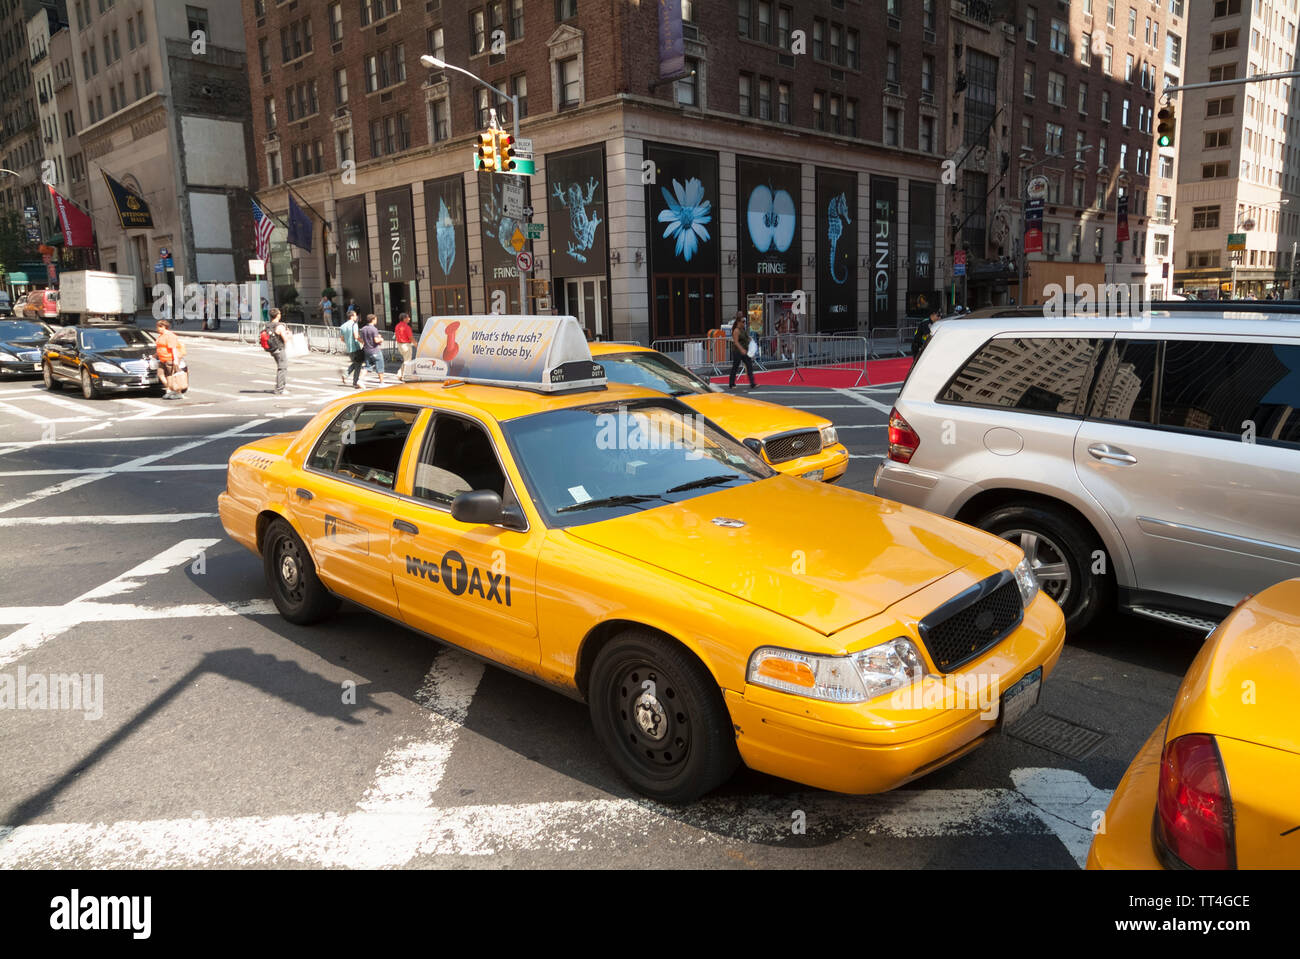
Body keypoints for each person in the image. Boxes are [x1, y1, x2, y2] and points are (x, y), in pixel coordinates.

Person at [154, 318, 186, 400]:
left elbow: (173, 348)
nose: (157, 329)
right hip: (162, 359)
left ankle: (177, 392)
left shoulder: (170, 336)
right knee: (160, 374)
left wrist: (175, 360)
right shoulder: (161, 335)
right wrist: (154, 355)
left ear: (164, 327)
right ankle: (171, 389)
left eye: (158, 327)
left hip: (169, 359)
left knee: (171, 377)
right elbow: (160, 347)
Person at [728, 310, 756, 390]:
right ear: (739, 322)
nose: (744, 323)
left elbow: (746, 337)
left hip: (744, 351)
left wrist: (750, 340)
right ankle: (731, 383)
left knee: (749, 366)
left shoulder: (743, 330)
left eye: (744, 322)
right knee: (735, 367)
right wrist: (742, 349)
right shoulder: (736, 330)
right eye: (743, 322)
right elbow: (736, 342)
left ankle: (752, 383)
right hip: (737, 351)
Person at [338, 310, 364, 387]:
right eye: (355, 315)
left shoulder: (343, 326)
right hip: (356, 347)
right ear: (352, 316)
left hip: (349, 348)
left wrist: (348, 342)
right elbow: (356, 336)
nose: (356, 317)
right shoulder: (354, 325)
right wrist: (363, 341)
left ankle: (345, 374)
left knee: (356, 363)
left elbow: (342, 339)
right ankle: (355, 382)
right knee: (358, 365)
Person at [267, 307, 290, 395]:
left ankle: (279, 387)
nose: (280, 315)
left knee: (280, 367)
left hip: (272, 349)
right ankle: (280, 389)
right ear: (277, 315)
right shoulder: (280, 326)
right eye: (279, 313)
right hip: (279, 349)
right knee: (282, 368)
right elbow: (285, 339)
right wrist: (289, 335)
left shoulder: (268, 325)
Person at [359, 313, 386, 386]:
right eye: (376, 319)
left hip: (366, 350)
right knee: (380, 366)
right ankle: (381, 382)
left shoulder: (363, 329)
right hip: (375, 350)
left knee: (367, 366)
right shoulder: (374, 329)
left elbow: (361, 339)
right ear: (373, 320)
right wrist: (381, 339)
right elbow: (376, 340)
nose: (376, 321)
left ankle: (360, 380)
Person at [394, 312, 414, 379]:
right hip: (406, 345)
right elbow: (411, 337)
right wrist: (416, 344)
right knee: (407, 361)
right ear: (404, 318)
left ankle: (400, 374)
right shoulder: (406, 327)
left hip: (400, 345)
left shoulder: (397, 326)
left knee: (406, 360)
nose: (409, 319)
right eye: (408, 317)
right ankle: (404, 375)